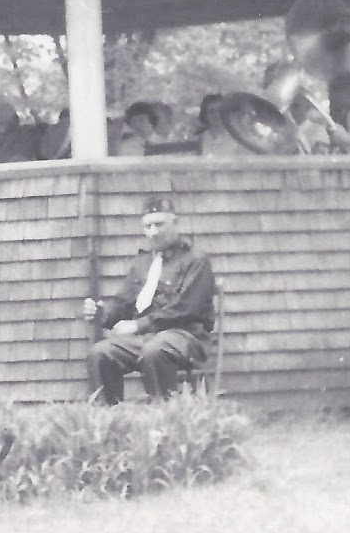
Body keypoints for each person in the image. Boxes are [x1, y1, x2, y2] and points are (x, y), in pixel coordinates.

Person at [83, 196, 217, 405]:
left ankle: (163, 419)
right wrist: (102, 312)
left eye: (159, 224)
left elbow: (186, 309)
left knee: (155, 351)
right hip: (146, 337)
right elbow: (123, 302)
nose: (154, 231)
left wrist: (137, 325)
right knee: (100, 353)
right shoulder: (143, 262)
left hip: (186, 335)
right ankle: (109, 422)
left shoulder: (196, 260)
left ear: (175, 222)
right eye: (148, 226)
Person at [195, 94, 240, 158]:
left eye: (219, 111)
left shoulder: (237, 138)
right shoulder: (202, 137)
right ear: (205, 115)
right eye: (211, 112)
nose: (216, 115)